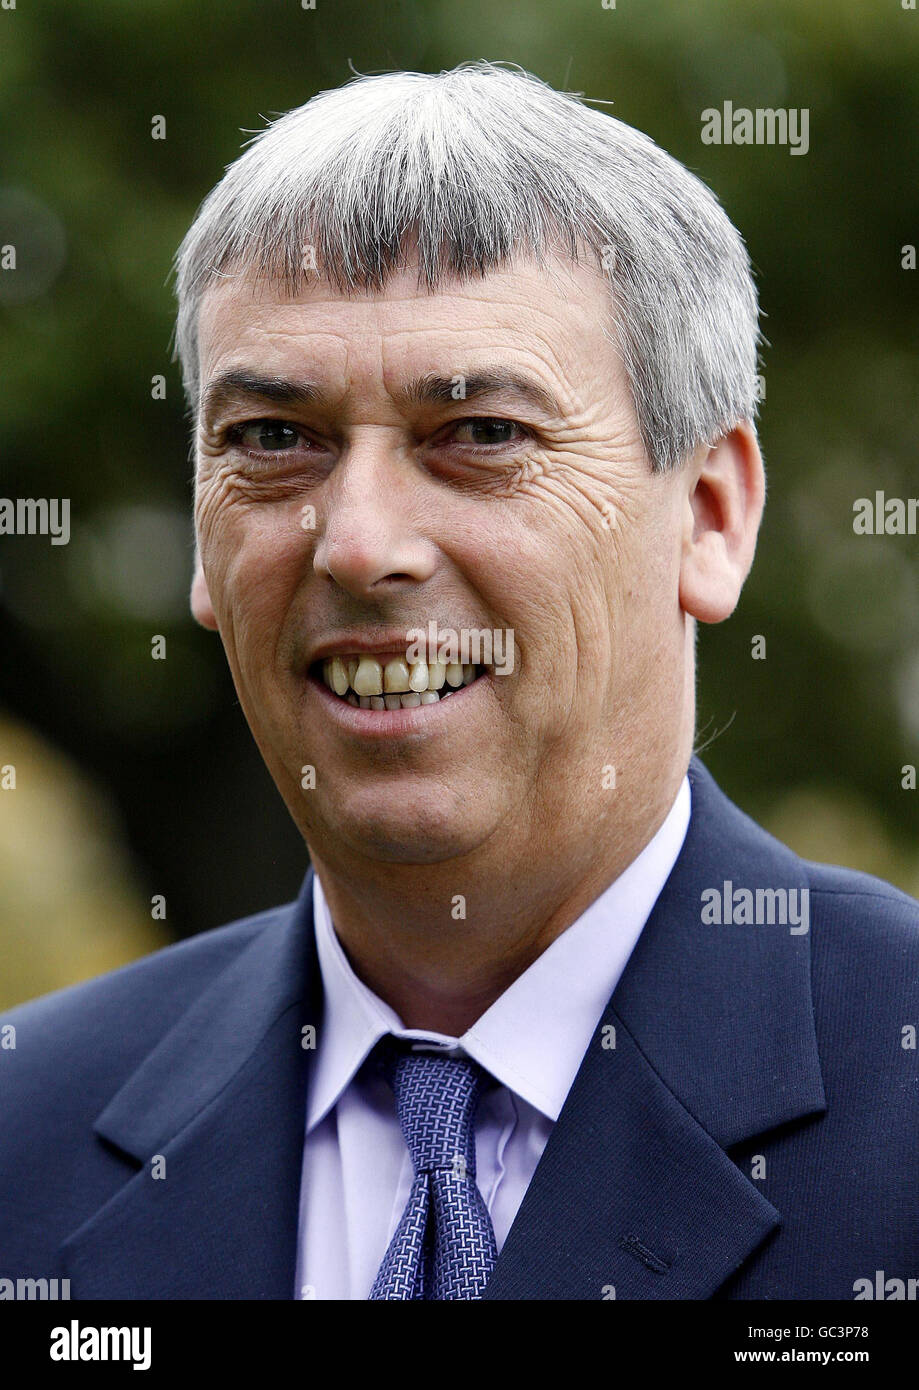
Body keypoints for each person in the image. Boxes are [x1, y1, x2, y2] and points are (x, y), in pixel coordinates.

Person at [2, 62, 916, 1302]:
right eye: (275, 440)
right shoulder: (25, 1134)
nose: (361, 542)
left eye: (480, 434)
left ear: (707, 517)